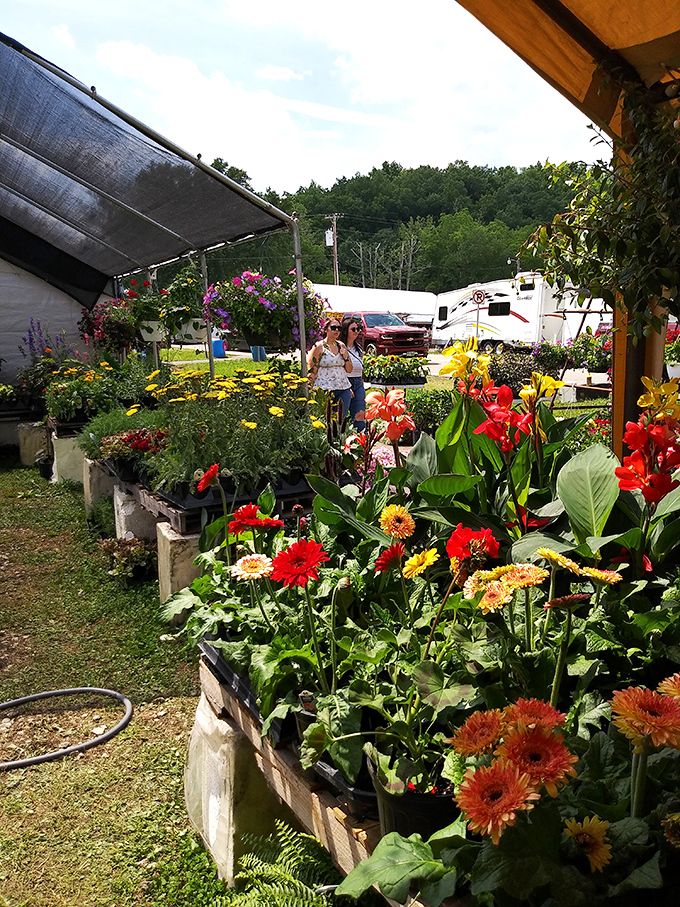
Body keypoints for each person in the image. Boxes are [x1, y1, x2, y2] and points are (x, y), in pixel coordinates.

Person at [307, 319, 353, 421]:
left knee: (341, 421)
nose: (336, 330)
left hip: (343, 388)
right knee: (324, 420)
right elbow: (312, 370)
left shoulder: (341, 345)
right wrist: (309, 389)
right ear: (326, 329)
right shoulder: (318, 347)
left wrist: (345, 356)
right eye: (333, 328)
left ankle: (339, 437)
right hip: (324, 389)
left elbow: (349, 369)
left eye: (339, 328)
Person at [339, 317, 366, 430]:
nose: (357, 332)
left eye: (358, 329)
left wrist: (362, 383)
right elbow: (339, 369)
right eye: (353, 329)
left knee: (360, 414)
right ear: (346, 331)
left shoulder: (358, 348)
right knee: (342, 414)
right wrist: (346, 386)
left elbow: (361, 368)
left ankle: (361, 439)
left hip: (358, 382)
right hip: (345, 381)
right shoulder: (340, 348)